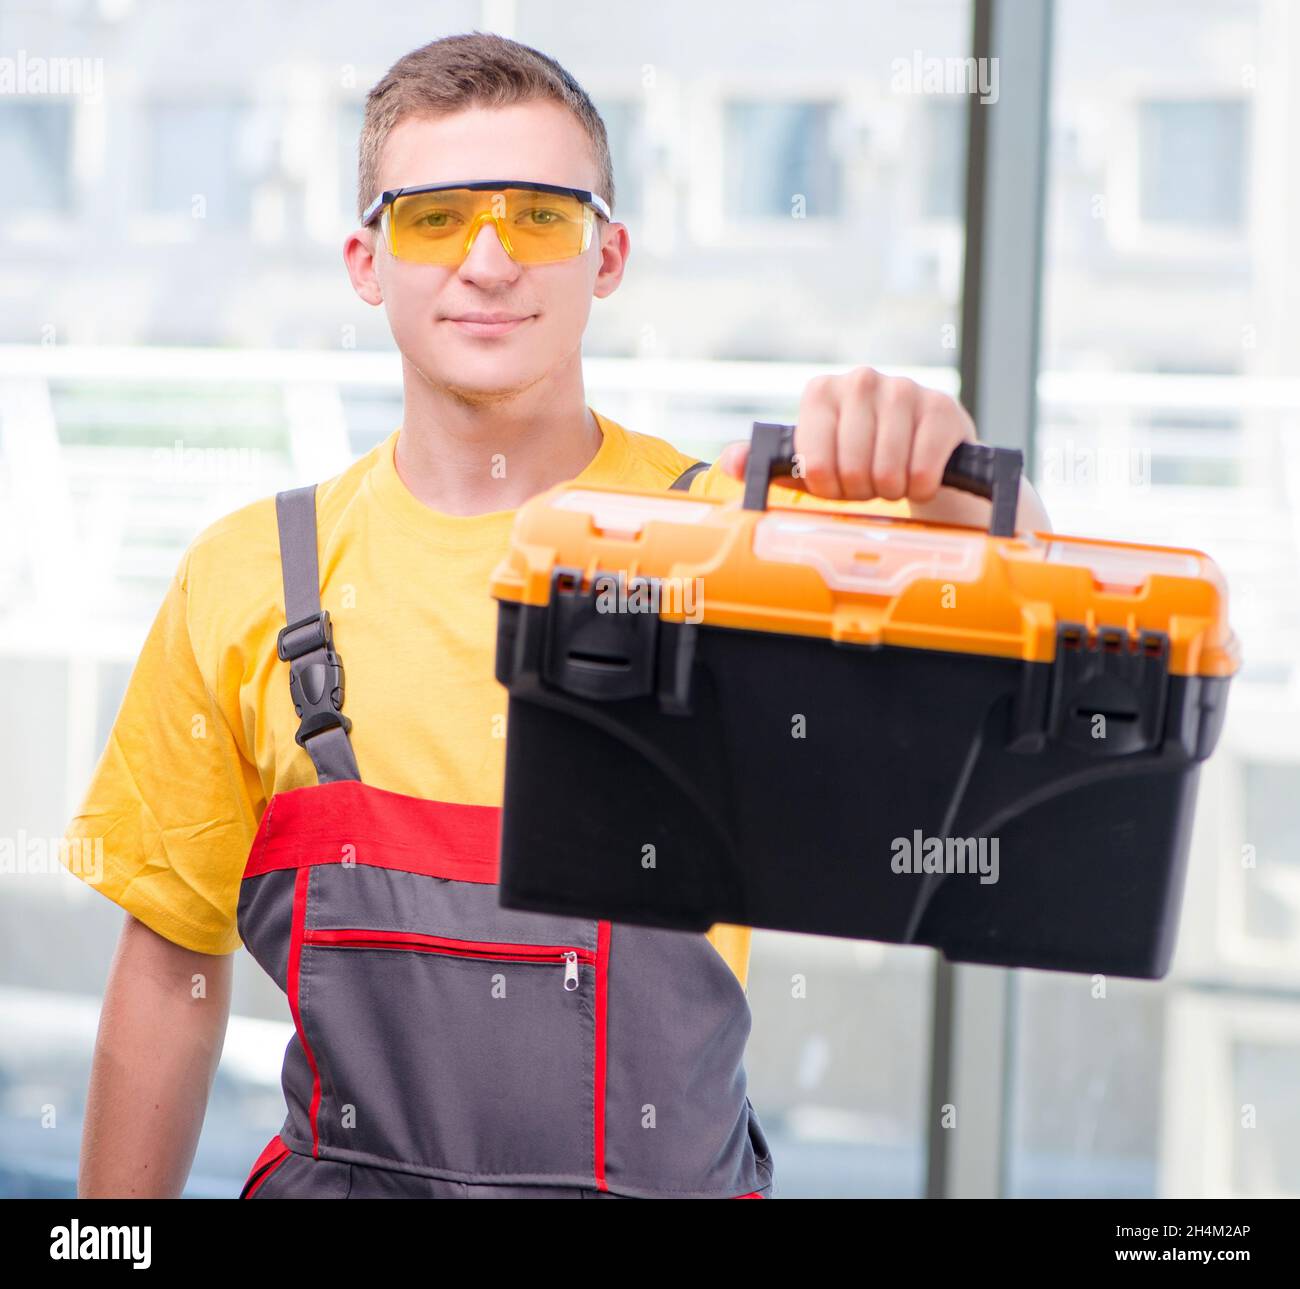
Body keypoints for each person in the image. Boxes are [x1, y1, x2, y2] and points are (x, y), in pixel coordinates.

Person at [60, 31, 1050, 1200]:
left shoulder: (728, 550)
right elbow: (173, 957)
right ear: (366, 259)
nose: (488, 261)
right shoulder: (249, 579)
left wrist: (952, 477)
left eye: (539, 217)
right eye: (434, 218)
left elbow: (1019, 678)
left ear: (608, 254)